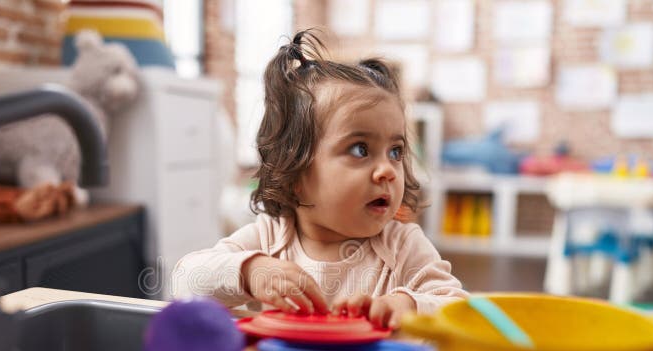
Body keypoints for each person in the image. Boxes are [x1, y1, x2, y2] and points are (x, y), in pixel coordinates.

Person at [172, 29, 467, 329]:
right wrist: (250, 271)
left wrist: (407, 304)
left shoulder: (402, 246)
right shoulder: (268, 238)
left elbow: (458, 307)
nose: (388, 170)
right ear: (294, 172)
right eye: (360, 149)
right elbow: (185, 279)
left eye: (395, 151)